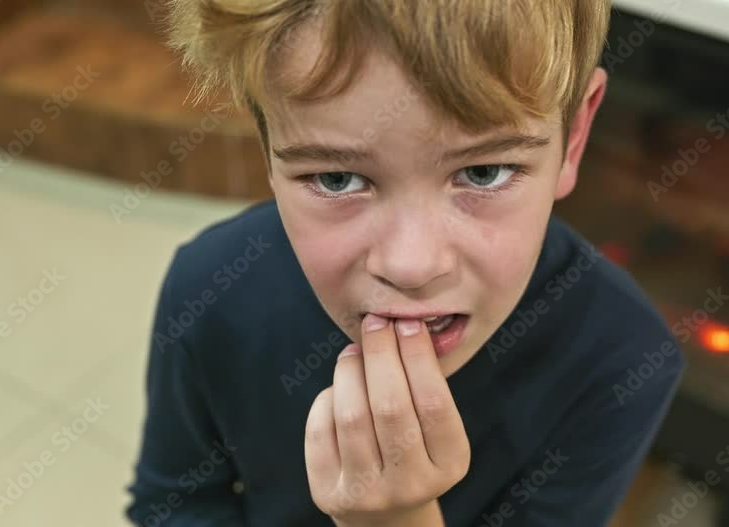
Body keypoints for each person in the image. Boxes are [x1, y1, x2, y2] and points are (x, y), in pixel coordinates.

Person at [126, 1, 685, 525]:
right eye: (337, 178)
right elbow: (174, 502)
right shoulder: (209, 288)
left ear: (575, 136)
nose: (411, 266)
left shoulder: (622, 359)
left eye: (483, 172)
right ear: (267, 148)